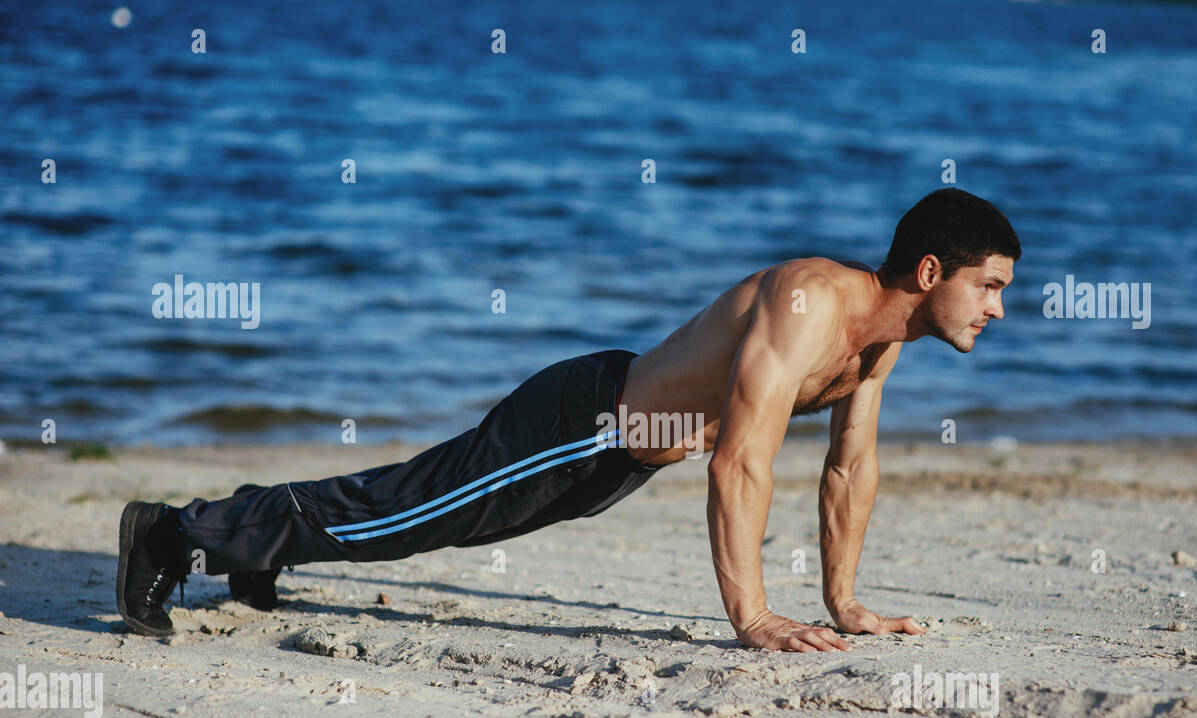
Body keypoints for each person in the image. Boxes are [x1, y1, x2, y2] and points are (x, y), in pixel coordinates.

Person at [117, 187, 1019, 653]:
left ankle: (251, 536)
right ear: (933, 271)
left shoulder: (880, 343)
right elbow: (738, 464)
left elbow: (848, 467)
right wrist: (753, 616)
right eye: (990, 287)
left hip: (613, 462)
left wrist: (843, 601)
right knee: (402, 516)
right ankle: (169, 535)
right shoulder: (811, 301)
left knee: (402, 513)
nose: (998, 309)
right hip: (581, 424)